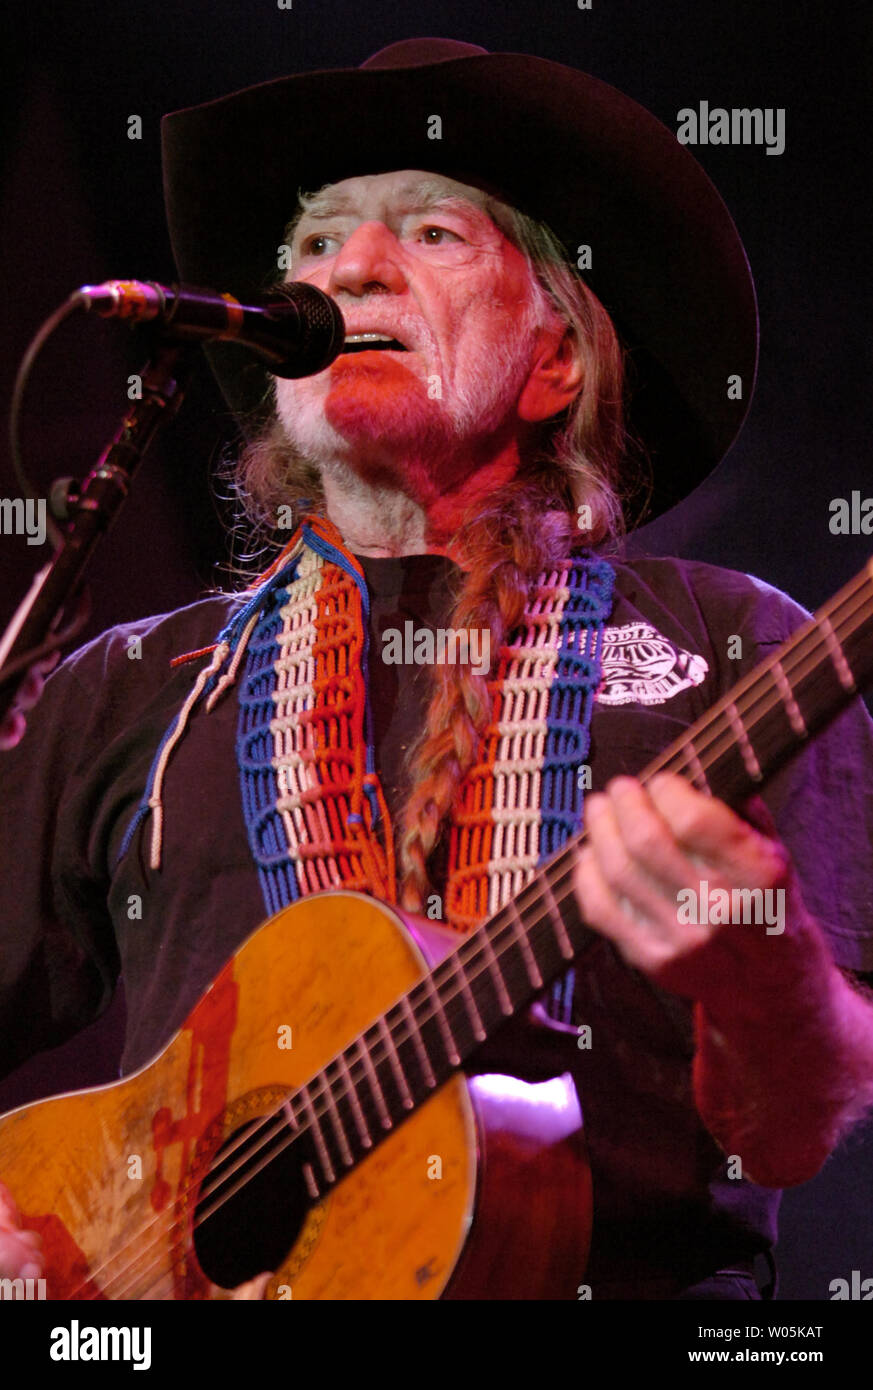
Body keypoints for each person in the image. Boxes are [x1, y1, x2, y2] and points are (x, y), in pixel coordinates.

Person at [1, 38, 872, 1301]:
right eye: (313, 244)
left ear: (556, 359)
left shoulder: (742, 650)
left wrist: (761, 969)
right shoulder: (134, 685)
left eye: (430, 231)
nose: (348, 267)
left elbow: (795, 1130)